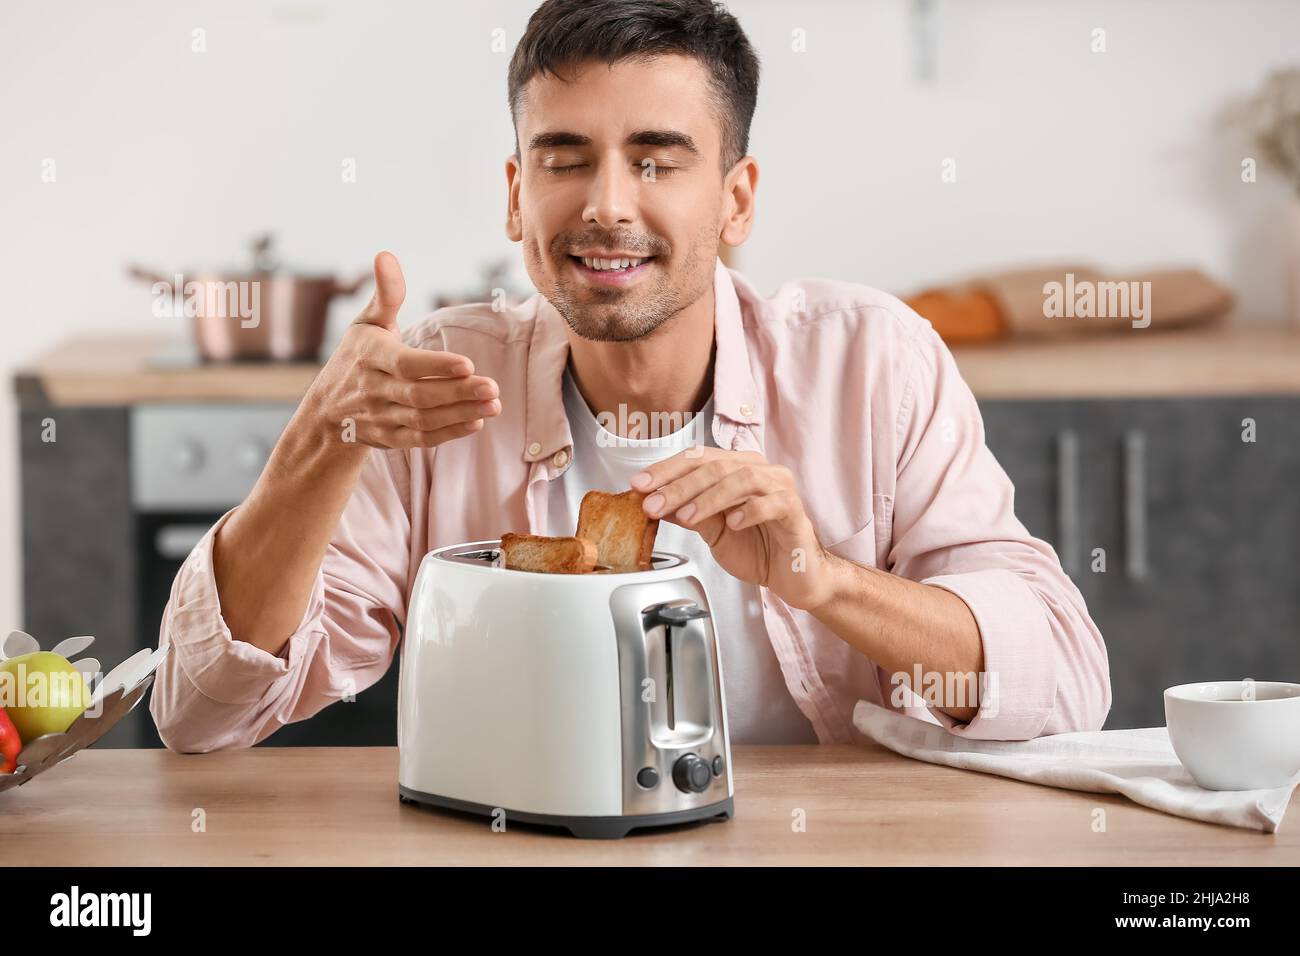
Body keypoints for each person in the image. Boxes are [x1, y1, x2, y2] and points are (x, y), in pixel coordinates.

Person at [150, 0, 1110, 752]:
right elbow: (199, 715)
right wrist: (319, 439)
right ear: (517, 195)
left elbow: (1064, 684)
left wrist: (824, 580)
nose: (607, 206)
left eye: (656, 162)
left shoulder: (872, 361)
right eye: (565, 159)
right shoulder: (436, 381)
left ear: (736, 200)